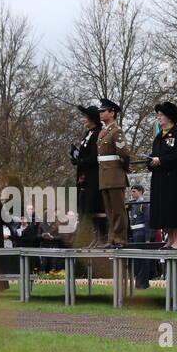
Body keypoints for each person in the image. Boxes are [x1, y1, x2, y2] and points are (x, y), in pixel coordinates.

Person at [148, 102, 177, 250]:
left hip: (175, 179)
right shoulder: (159, 135)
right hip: (161, 179)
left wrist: (162, 160)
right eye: (158, 115)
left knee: (175, 209)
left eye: (161, 115)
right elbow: (154, 154)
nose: (158, 118)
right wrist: (151, 162)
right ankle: (170, 239)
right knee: (164, 210)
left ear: (170, 117)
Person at [95, 98, 132, 249]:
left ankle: (120, 239)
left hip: (115, 175)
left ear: (112, 113)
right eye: (100, 111)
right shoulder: (103, 132)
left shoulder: (116, 131)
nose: (100, 113)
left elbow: (123, 153)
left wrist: (125, 167)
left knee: (118, 209)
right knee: (109, 210)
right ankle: (112, 238)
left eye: (103, 111)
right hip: (104, 175)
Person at [71, 103, 104, 247]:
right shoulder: (87, 134)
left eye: (85, 117)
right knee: (86, 208)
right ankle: (95, 237)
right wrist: (76, 158)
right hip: (84, 176)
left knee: (96, 207)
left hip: (94, 177)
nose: (83, 119)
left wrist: (81, 160)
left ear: (91, 119)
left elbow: (94, 156)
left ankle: (102, 237)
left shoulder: (98, 133)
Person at [127, 184, 154, 288]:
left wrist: (148, 238)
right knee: (137, 259)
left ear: (140, 192)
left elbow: (148, 221)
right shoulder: (133, 204)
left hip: (142, 234)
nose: (132, 193)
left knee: (143, 260)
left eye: (134, 191)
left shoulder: (144, 204)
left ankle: (143, 283)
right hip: (135, 234)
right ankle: (139, 282)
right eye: (132, 191)